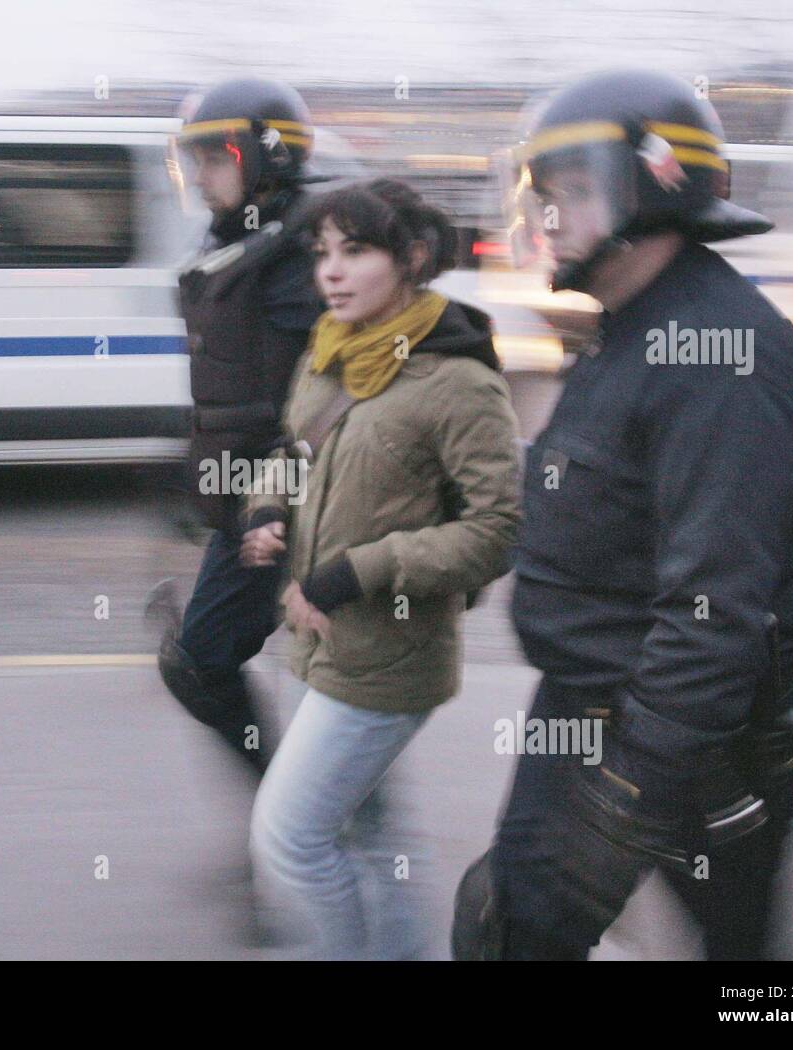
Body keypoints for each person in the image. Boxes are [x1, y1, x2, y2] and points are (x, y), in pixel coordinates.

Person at [451, 69, 793, 961]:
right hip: (604, 711)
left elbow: (714, 617)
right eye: (540, 198)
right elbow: (599, 502)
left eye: (574, 193)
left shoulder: (720, 358)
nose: (547, 220)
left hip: (681, 741)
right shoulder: (628, 326)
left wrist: (626, 794)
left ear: (655, 185)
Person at [240, 179, 520, 959]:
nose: (331, 272)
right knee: (375, 835)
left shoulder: (458, 381)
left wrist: (359, 570)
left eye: (355, 251)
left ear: (413, 257)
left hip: (390, 655)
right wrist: (267, 509)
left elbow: (497, 531)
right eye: (322, 253)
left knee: (289, 837)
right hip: (316, 646)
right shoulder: (329, 351)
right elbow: (295, 454)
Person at [148, 78, 324, 778]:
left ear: (267, 157)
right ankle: (293, 818)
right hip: (245, 497)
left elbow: (315, 399)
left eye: (213, 158)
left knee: (206, 659)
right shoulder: (239, 241)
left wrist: (275, 501)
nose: (198, 175)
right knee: (218, 661)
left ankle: (290, 820)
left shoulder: (303, 253)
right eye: (192, 159)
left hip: (285, 505)